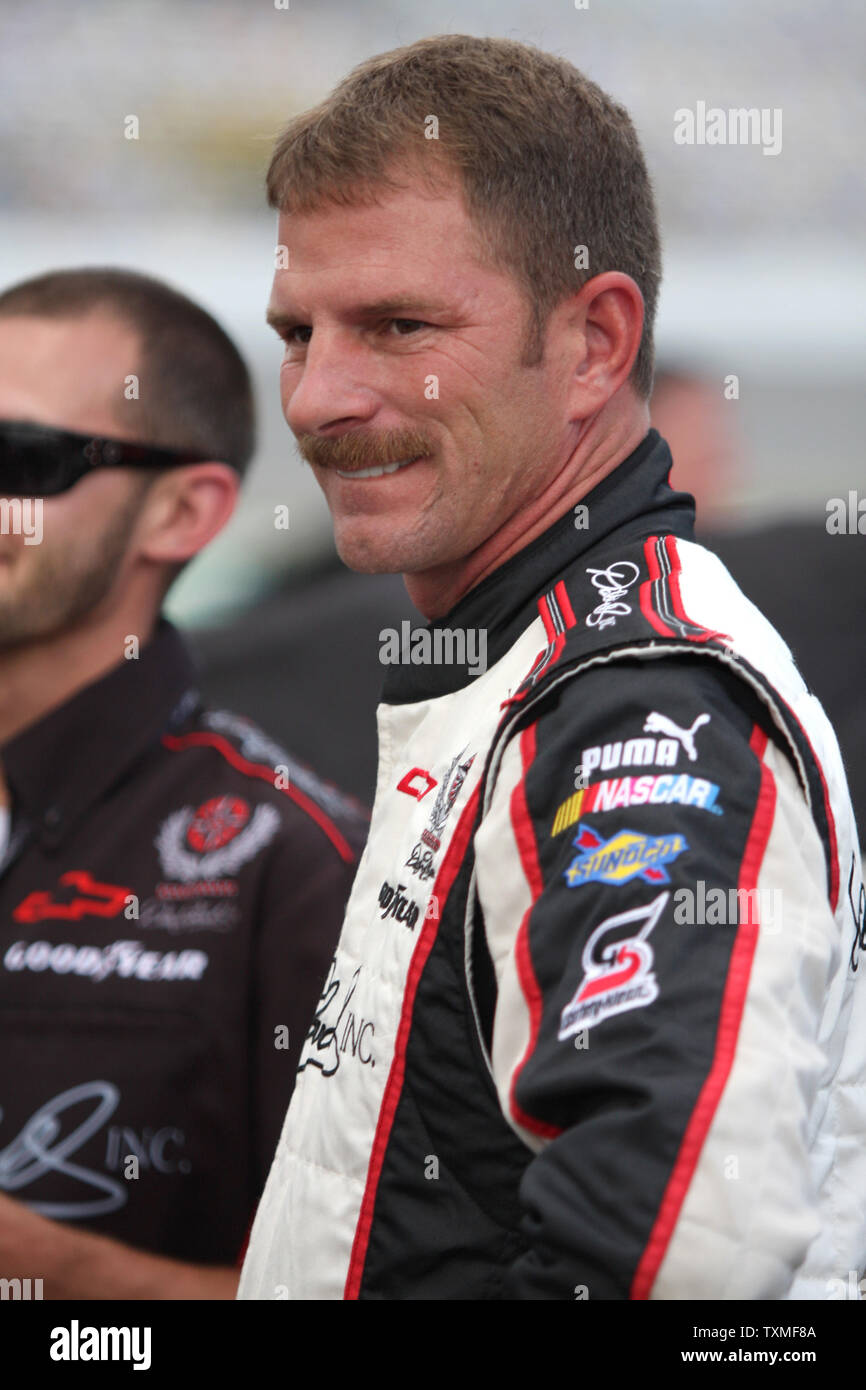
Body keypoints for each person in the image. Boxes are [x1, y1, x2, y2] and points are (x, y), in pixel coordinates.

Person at [237, 35, 866, 1301]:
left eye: (397, 325)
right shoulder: (538, 664)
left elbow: (679, 1257)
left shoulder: (637, 707)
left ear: (592, 344)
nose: (315, 398)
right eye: (300, 332)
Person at [0, 268, 368, 1298]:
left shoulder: (296, 864)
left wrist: (54, 1271)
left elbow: (385, 1288)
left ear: (181, 510)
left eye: (17, 458)